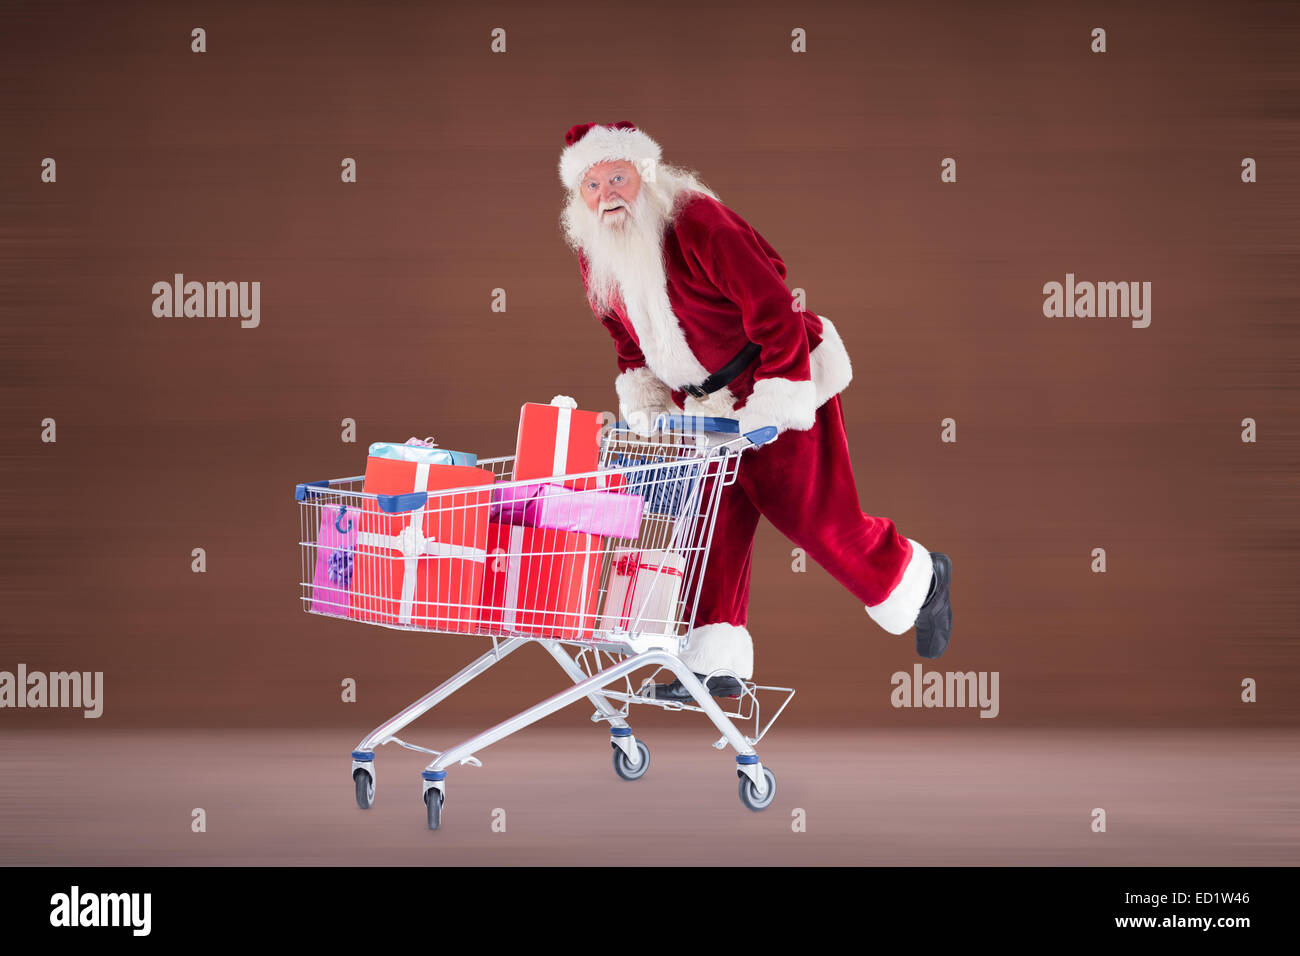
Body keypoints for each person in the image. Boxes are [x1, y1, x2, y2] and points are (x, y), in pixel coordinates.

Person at [558, 121, 953, 699]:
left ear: (645, 174)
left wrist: (778, 398)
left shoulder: (697, 222)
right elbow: (625, 341)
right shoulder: (598, 253)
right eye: (592, 185)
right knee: (710, 526)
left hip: (773, 372)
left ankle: (920, 583)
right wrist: (644, 407)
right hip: (703, 408)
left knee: (817, 522)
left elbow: (775, 305)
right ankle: (713, 661)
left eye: (617, 176)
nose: (607, 194)